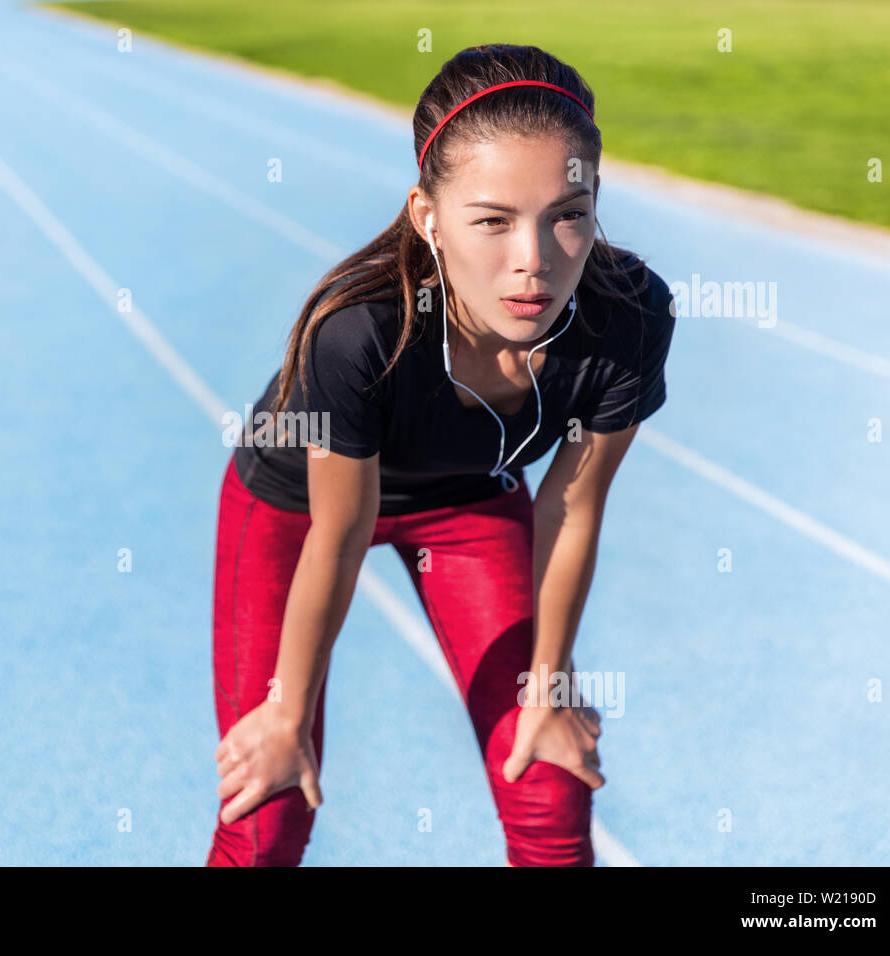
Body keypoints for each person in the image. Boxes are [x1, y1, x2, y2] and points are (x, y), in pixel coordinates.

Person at [207, 43, 676, 867]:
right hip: (302, 508)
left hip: (467, 500)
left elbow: (571, 506)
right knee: (268, 805)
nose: (534, 258)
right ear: (428, 215)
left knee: (551, 774)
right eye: (492, 220)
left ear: (597, 199)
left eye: (568, 213)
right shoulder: (359, 332)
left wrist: (548, 684)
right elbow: (340, 535)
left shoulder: (630, 317)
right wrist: (286, 719)